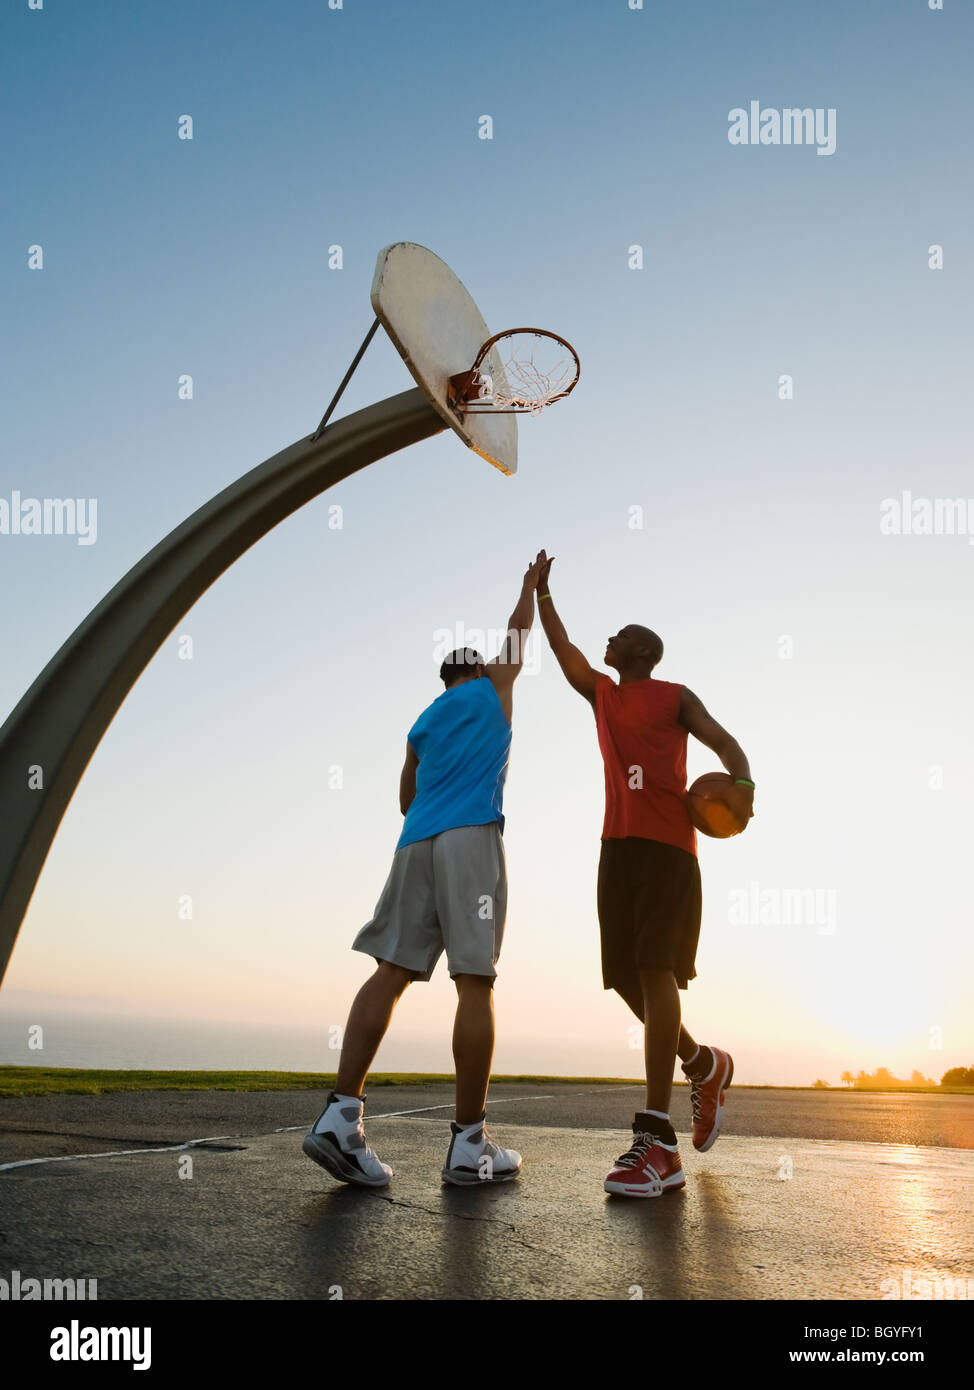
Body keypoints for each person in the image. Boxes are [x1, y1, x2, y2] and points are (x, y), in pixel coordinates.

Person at [303, 554, 545, 1188]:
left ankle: (341, 1113)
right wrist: (528, 587)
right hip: (470, 838)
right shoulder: (495, 690)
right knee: (474, 981)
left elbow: (405, 798)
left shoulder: (421, 724)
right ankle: (470, 1145)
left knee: (390, 971)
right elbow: (519, 636)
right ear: (480, 670)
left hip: (415, 843)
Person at [534, 550, 754, 1197]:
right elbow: (566, 649)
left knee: (657, 973)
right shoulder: (601, 694)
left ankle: (657, 1141)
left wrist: (741, 785)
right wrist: (544, 595)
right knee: (627, 980)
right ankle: (703, 1063)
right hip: (617, 849)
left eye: (619, 633)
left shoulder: (675, 697)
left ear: (640, 651)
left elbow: (727, 743)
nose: (608, 638)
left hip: (669, 850)